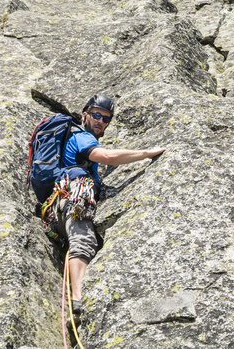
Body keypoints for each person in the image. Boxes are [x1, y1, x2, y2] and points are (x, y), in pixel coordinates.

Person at [55, 93, 165, 322]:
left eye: (106, 119)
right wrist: (146, 154)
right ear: (84, 114)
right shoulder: (82, 137)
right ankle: (77, 301)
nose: (100, 121)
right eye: (96, 115)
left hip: (63, 203)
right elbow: (106, 157)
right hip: (74, 198)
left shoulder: (81, 140)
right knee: (83, 240)